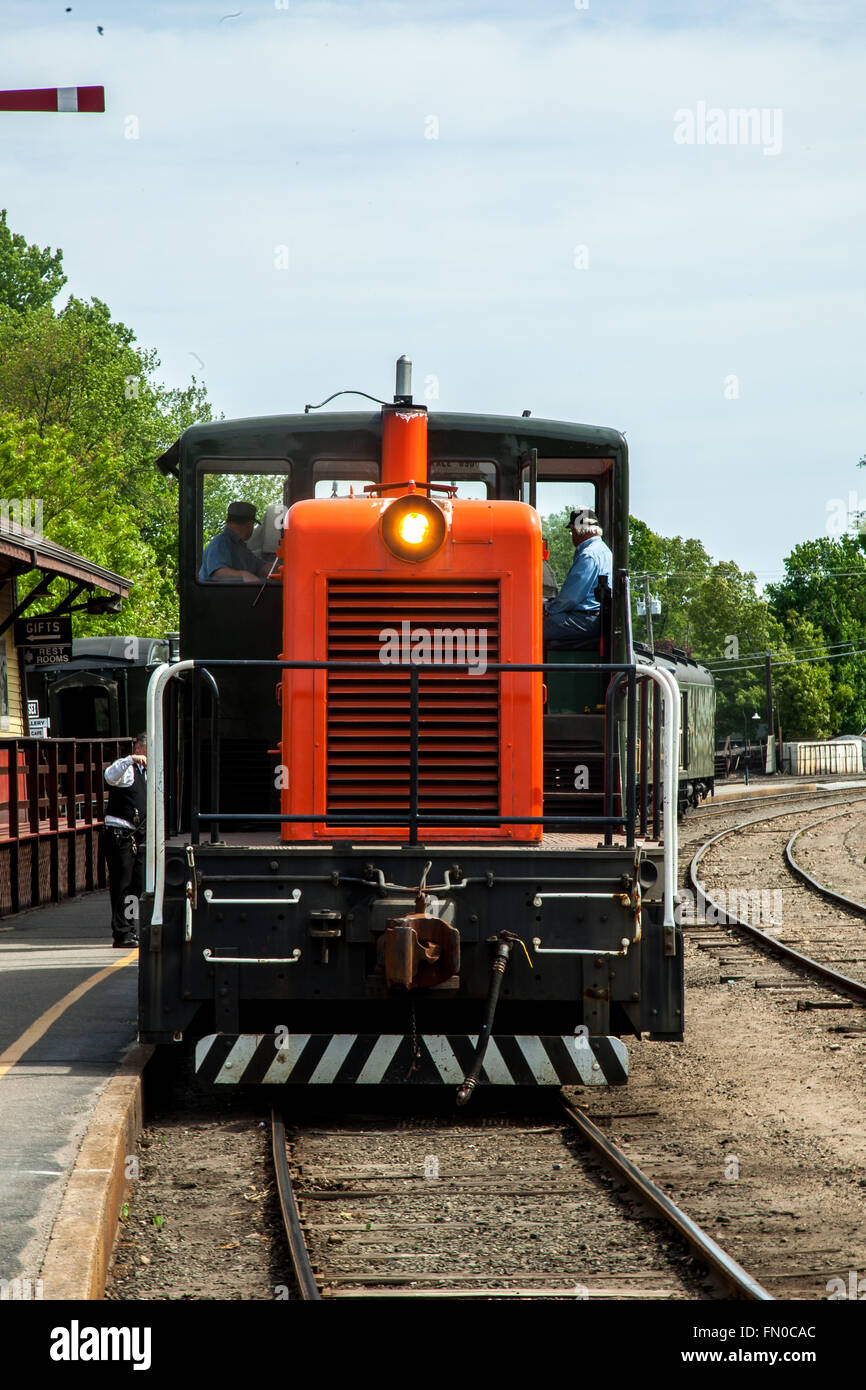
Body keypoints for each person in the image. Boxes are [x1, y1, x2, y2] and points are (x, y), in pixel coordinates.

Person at [543, 508, 613, 645]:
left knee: (528, 627)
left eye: (571, 531)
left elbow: (570, 597)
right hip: (594, 618)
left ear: (578, 530)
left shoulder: (589, 555)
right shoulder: (604, 551)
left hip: (584, 620)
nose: (572, 535)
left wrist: (547, 610)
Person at [103, 733, 147, 948]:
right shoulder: (126, 770)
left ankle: (131, 927)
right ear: (140, 749)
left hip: (137, 837)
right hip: (120, 836)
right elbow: (109, 775)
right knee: (122, 884)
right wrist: (130, 759)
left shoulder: (146, 773)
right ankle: (121, 933)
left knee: (137, 884)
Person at [199, 501, 271, 583]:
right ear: (249, 525)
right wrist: (243, 575)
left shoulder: (241, 548)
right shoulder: (221, 543)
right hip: (215, 595)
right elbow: (218, 574)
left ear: (227, 521)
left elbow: (261, 567)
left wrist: (284, 570)